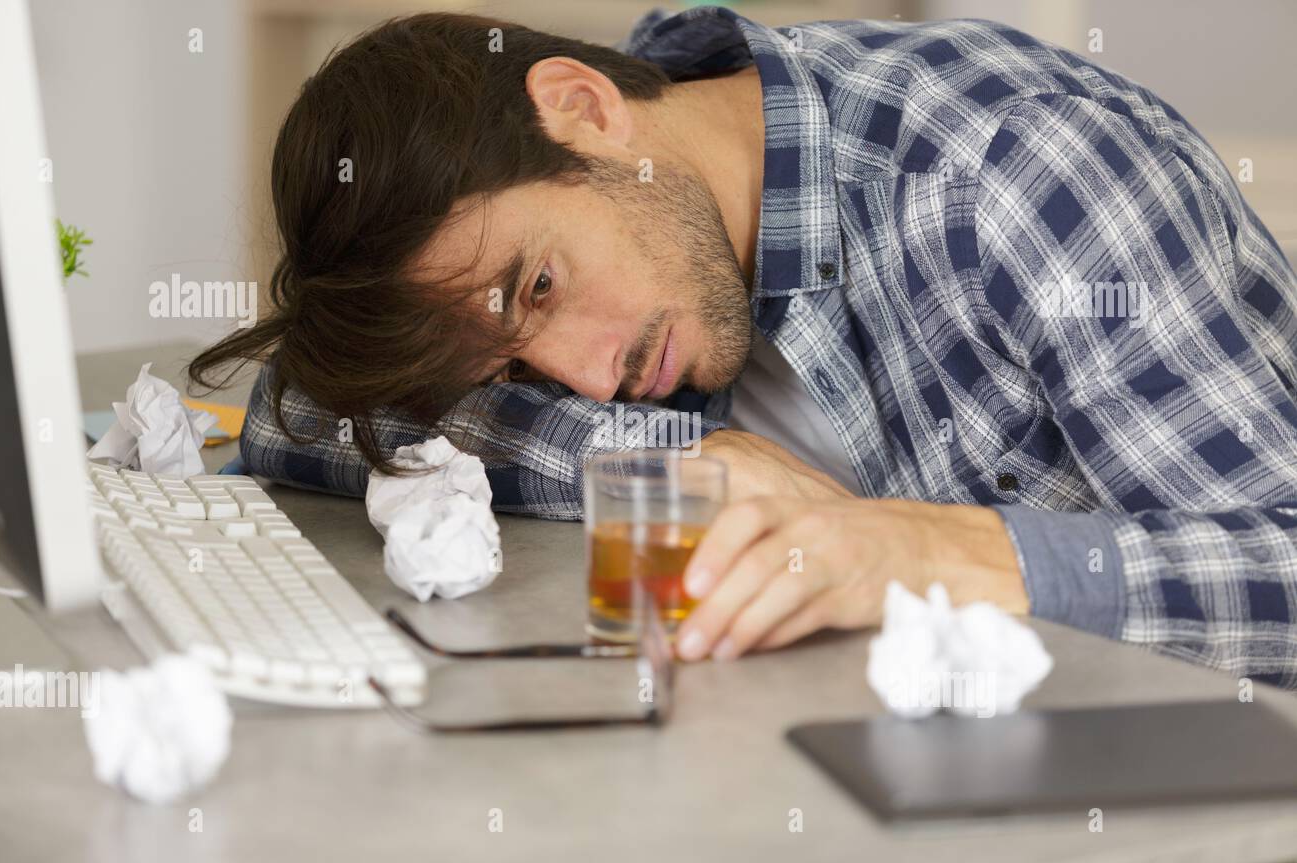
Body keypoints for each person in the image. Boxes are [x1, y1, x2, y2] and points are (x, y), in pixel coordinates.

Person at [189, 7, 1297, 684]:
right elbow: (293, 407)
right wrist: (650, 468)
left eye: (537, 286)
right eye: (512, 366)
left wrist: (927, 552)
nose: (580, 375)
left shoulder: (1019, 174)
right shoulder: (650, 217)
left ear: (582, 108)